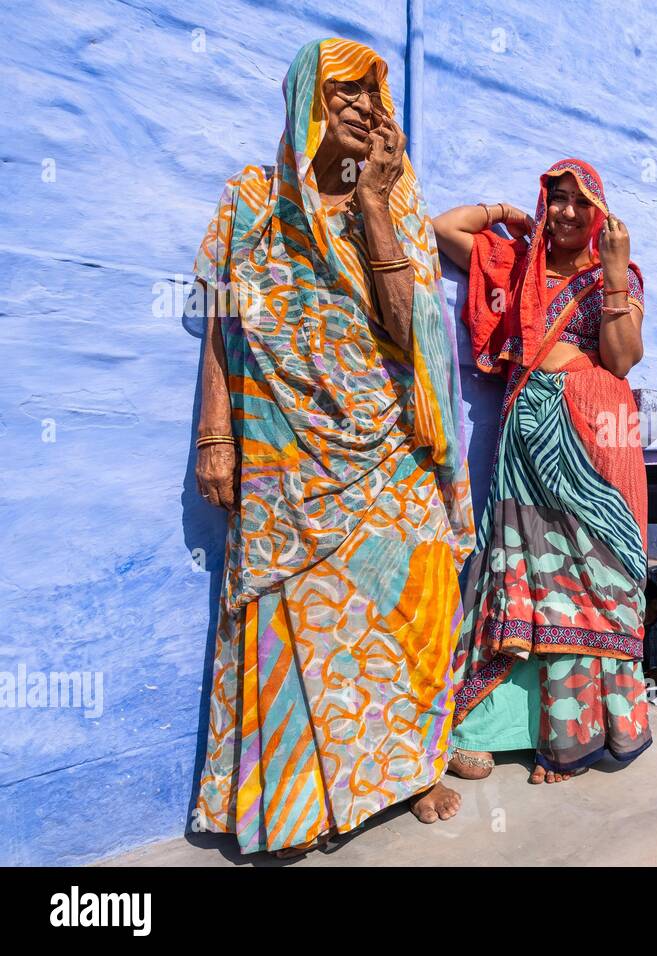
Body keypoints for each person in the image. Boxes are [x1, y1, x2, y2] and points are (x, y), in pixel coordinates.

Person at [190, 38, 474, 857]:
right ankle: (292, 800)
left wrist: (375, 205)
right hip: (286, 458)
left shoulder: (398, 202)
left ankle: (411, 769)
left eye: (372, 96)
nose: (362, 107)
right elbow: (222, 325)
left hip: (392, 448)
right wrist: (216, 433)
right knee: (296, 621)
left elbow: (409, 328)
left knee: (416, 609)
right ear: (306, 99)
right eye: (343, 91)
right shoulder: (253, 201)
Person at [431, 158, 652, 784]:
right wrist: (506, 215)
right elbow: (442, 229)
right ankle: (498, 731)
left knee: (594, 586)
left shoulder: (621, 277)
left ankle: (574, 740)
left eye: (580, 201)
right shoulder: (517, 264)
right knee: (523, 583)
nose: (565, 211)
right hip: (526, 445)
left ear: (599, 213)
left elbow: (622, 358)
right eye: (556, 198)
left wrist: (611, 273)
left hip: (596, 447)